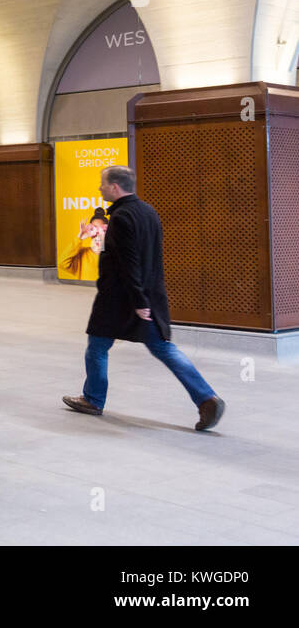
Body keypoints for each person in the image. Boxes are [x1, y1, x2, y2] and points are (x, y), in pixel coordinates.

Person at [63, 165, 225, 431]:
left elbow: (128, 263)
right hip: (146, 295)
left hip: (123, 299)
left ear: (115, 187)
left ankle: (93, 400)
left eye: (103, 184)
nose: (100, 188)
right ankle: (206, 398)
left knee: (99, 347)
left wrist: (139, 302)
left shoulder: (122, 217)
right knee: (155, 347)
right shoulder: (148, 211)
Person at [59, 207, 108, 280]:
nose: (97, 233)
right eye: (93, 229)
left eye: (102, 229)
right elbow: (62, 262)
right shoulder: (82, 254)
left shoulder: (113, 255)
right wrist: (79, 237)